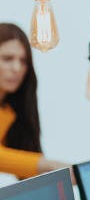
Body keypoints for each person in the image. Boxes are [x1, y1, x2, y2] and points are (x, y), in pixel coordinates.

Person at [0, 23, 70, 179]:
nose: (17, 68)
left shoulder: (9, 113)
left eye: (24, 61)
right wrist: (47, 165)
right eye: (7, 59)